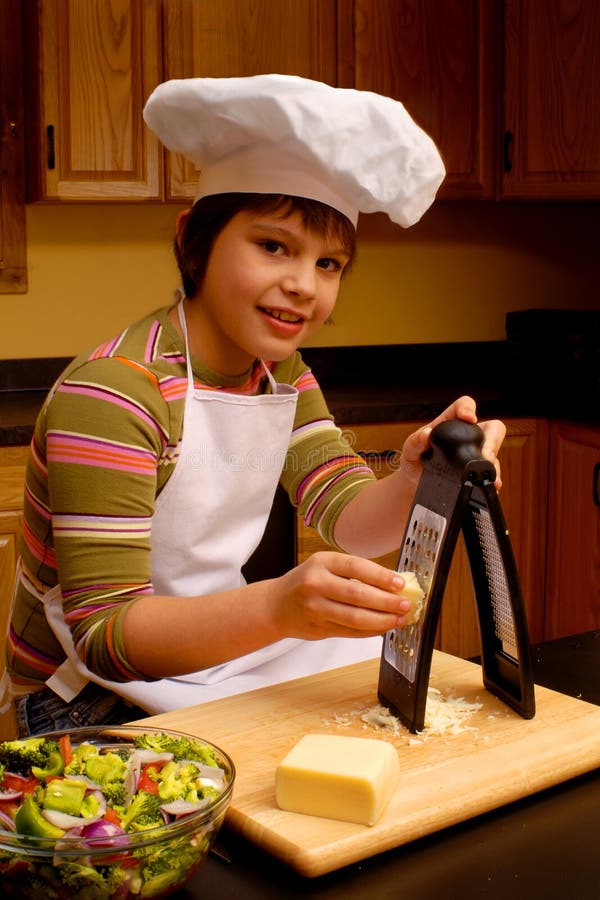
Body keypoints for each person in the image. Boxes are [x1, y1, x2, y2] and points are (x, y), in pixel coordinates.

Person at [3, 75, 506, 736]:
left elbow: (347, 518)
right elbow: (105, 637)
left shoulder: (279, 373)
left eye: (329, 264)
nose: (303, 285)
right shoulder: (115, 393)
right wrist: (279, 607)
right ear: (194, 239)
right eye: (274, 247)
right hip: (82, 698)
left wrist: (416, 477)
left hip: (215, 657)